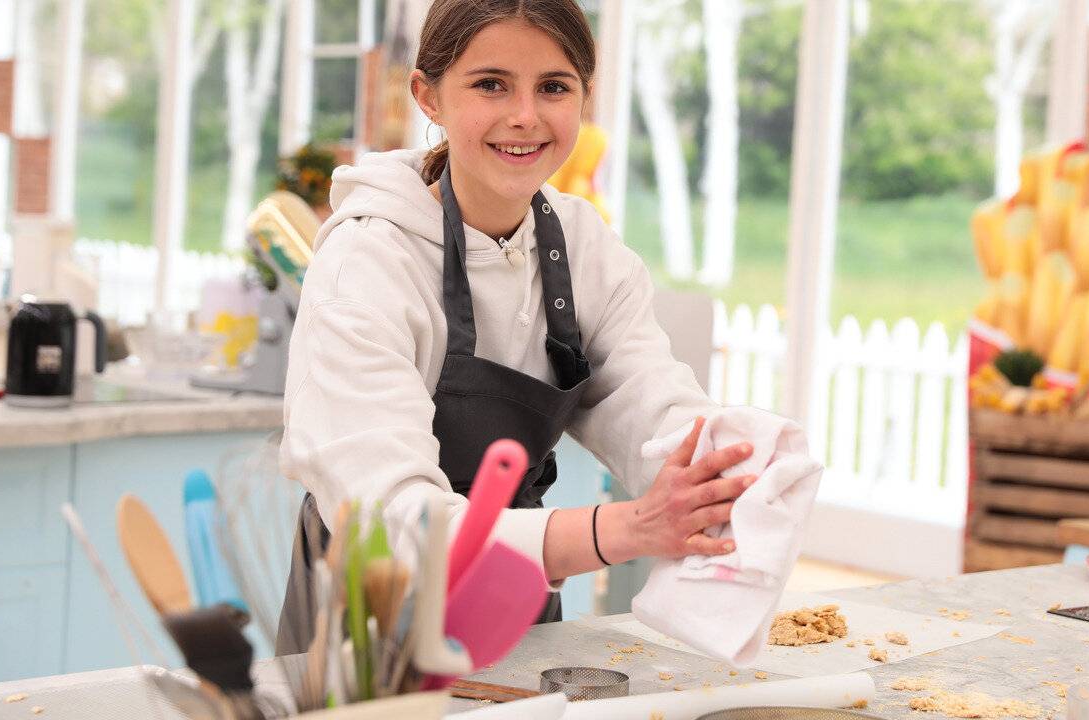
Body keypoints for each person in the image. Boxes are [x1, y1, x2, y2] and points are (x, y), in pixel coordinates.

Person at [275, 0, 757, 653]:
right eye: (491, 84)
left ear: (585, 99)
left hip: (519, 615)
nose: (525, 116)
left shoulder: (585, 248)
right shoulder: (368, 262)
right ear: (429, 95)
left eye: (554, 87)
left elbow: (656, 414)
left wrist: (733, 468)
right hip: (365, 630)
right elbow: (389, 524)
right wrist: (622, 529)